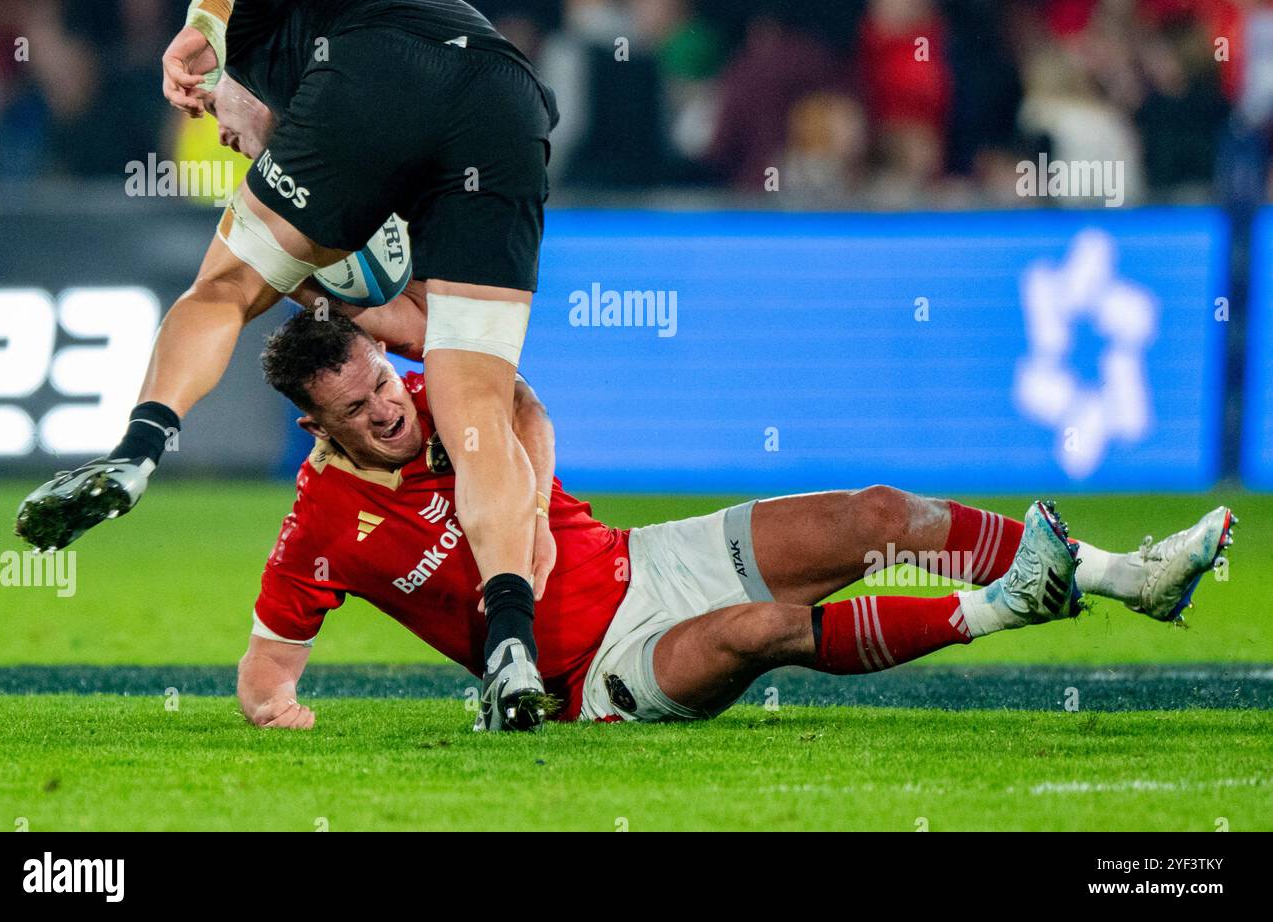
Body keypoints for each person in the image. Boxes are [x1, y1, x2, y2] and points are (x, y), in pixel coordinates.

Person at [16, 0, 560, 732]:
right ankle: (512, 645)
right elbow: (425, 329)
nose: (222, 132)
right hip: (508, 101)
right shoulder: (392, 151)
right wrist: (321, 285)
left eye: (216, 110)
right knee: (475, 406)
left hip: (372, 66)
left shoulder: (265, 17)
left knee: (222, 289)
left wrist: (206, 19)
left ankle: (136, 449)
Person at [237, 310, 1235, 730]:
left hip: (644, 557)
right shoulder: (319, 526)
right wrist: (282, 713)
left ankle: (1123, 575)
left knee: (877, 512)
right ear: (312, 426)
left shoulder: (432, 386)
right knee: (768, 627)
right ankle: (1007, 605)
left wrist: (531, 512)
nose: (390, 406)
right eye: (361, 406)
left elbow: (529, 406)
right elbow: (264, 674)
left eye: (382, 379)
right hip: (595, 674)